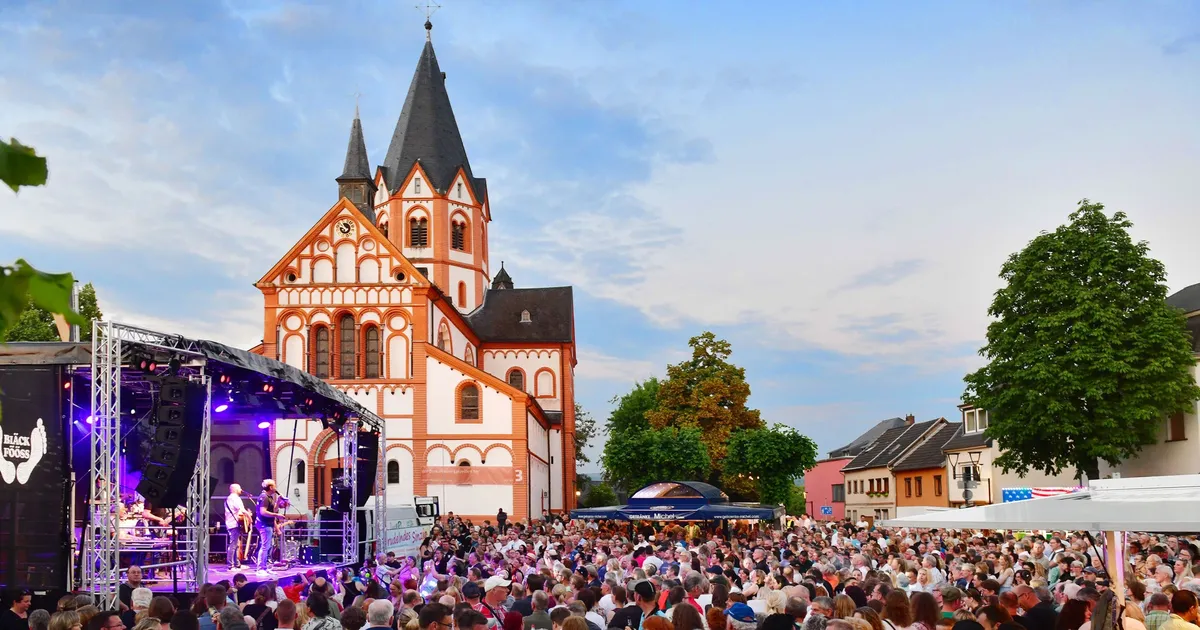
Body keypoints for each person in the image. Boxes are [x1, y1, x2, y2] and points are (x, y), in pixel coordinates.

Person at [255, 480, 286, 576]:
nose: (276, 487)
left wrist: (278, 501)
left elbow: (274, 510)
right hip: (264, 524)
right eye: (274, 486)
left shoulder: (269, 497)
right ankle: (260, 569)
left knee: (267, 546)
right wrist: (277, 515)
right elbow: (263, 512)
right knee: (265, 547)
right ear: (271, 487)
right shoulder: (264, 497)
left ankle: (264, 567)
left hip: (268, 524)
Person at [225, 483, 250, 570]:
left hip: (231, 523)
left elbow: (237, 511)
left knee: (236, 545)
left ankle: (237, 564)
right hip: (234, 523)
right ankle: (230, 566)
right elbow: (242, 510)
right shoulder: (235, 498)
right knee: (233, 545)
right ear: (235, 489)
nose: (241, 490)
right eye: (239, 488)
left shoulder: (229, 498)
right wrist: (249, 517)